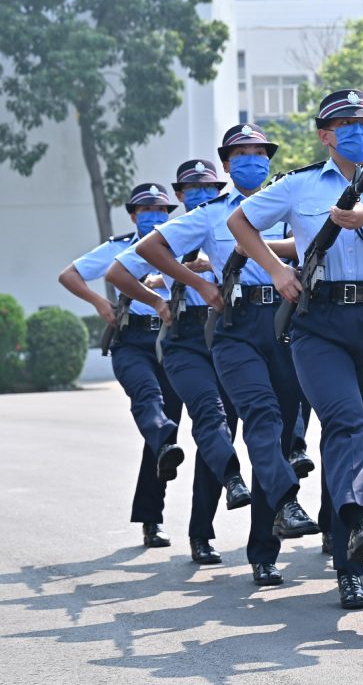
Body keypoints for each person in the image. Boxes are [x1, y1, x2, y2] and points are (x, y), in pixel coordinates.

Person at [227, 89, 363, 609]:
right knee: (345, 422)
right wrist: (277, 271)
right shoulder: (298, 185)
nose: (361, 132)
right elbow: (239, 223)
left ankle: (352, 559)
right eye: (348, 125)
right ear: (326, 135)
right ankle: (358, 528)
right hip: (318, 321)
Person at [136, 123, 317, 588]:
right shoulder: (213, 213)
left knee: (281, 434)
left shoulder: (289, 202)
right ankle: (279, 509)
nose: (252, 161)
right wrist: (199, 283)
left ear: (269, 161)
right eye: (241, 154)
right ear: (227, 164)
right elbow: (150, 246)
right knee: (259, 416)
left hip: (288, 321)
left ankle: (265, 548)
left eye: (259, 153)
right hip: (237, 325)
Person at [105, 162, 254, 566]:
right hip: (184, 336)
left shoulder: (232, 224)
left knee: (218, 434)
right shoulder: (169, 235)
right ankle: (151, 518)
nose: (202, 194)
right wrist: (158, 299)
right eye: (192, 188)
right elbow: (119, 271)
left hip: (225, 333)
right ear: (180, 196)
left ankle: (201, 532)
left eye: (209, 187)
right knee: (172, 434)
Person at [58, 185, 196, 549]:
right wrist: (98, 302)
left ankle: (151, 518)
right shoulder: (117, 248)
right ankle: (153, 514)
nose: (154, 215)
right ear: (133, 215)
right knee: (149, 401)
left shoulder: (181, 244)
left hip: (173, 339)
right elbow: (69, 275)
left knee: (163, 438)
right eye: (145, 210)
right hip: (132, 340)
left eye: (160, 210)